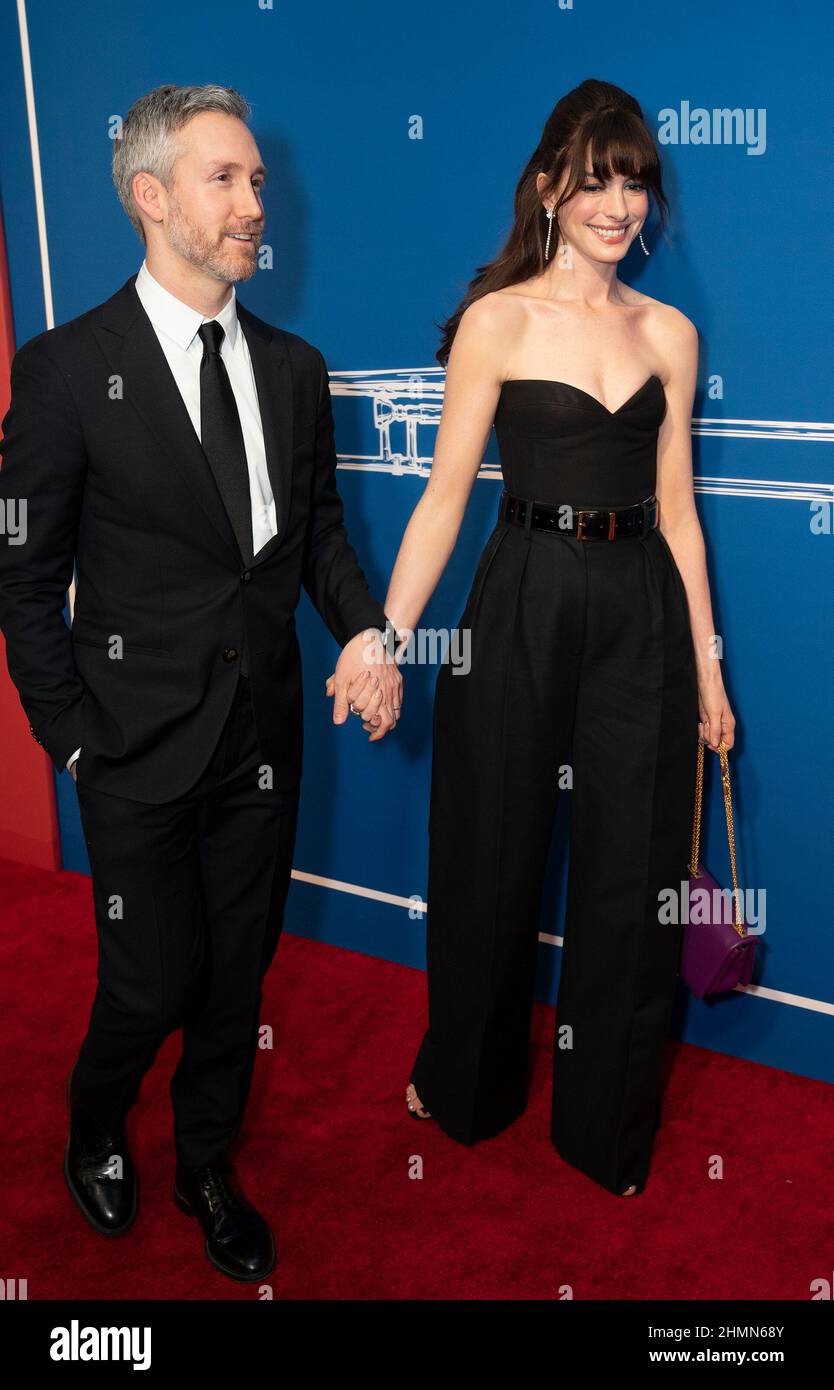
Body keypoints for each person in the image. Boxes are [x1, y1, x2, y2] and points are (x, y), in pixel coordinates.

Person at [0, 82, 401, 1280]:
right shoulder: (67, 370)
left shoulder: (294, 366)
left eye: (257, 181)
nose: (251, 202)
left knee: (237, 975)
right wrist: (72, 740)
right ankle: (94, 1123)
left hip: (264, 739)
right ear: (151, 196)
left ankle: (208, 1167)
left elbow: (319, 536)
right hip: (129, 747)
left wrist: (369, 633)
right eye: (224, 179)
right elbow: (24, 580)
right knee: (150, 976)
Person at [365, 78, 736, 1196]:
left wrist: (709, 668)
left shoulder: (671, 332)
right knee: (489, 848)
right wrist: (388, 634)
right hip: (521, 590)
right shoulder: (499, 320)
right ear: (548, 188)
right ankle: (466, 1086)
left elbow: (679, 512)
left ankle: (605, 1127)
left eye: (635, 183)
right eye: (596, 180)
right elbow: (442, 498)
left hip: (641, 610)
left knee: (633, 876)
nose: (619, 204)